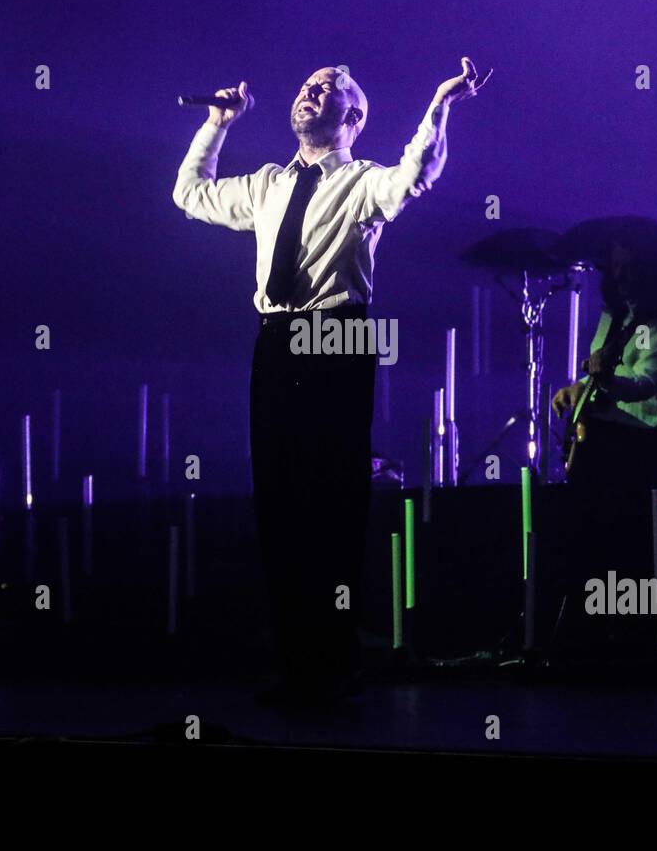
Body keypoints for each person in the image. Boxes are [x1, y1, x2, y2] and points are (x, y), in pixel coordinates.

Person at [173, 59, 491, 706]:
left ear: (352, 118)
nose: (310, 91)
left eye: (329, 88)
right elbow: (189, 194)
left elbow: (415, 179)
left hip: (339, 333)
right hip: (277, 340)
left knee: (332, 505)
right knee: (280, 505)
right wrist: (217, 125)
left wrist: (439, 103)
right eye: (306, 84)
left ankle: (331, 662)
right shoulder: (267, 184)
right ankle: (296, 662)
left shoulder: (363, 181)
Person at [549, 234, 657, 658]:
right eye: (615, 266)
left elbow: (648, 384)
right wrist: (577, 391)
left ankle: (631, 646)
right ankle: (586, 642)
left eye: (629, 266)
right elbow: (600, 373)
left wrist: (606, 384)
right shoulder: (615, 314)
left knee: (628, 548)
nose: (620, 275)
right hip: (603, 444)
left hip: (637, 447)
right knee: (589, 543)